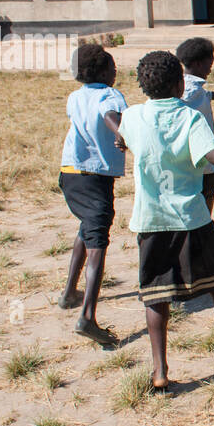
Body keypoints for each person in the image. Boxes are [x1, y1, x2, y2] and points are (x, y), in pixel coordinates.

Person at [116, 51, 214, 392]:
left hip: (151, 222)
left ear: (142, 85)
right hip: (192, 219)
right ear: (180, 84)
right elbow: (213, 156)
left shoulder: (133, 116)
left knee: (155, 298)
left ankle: (160, 372)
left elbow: (121, 132)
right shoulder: (191, 117)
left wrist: (119, 135)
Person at [57, 43, 126, 347]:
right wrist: (120, 133)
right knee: (98, 243)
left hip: (69, 173)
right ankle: (88, 316)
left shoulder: (74, 96)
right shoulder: (110, 96)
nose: (116, 72)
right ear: (101, 72)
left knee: (86, 229)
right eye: (112, 68)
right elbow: (109, 114)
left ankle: (70, 291)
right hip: (95, 176)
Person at [176, 37, 214, 223]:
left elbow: (206, 95)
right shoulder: (190, 92)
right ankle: (204, 226)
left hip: (187, 158)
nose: (211, 68)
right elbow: (191, 99)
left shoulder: (189, 86)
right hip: (200, 156)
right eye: (209, 64)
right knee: (206, 191)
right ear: (197, 63)